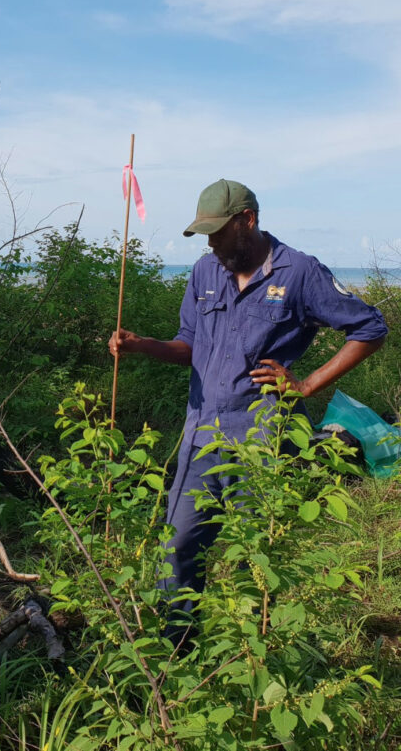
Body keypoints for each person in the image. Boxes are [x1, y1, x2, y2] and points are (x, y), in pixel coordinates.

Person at [109, 179, 386, 621]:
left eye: (218, 231)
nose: (212, 242)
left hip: (263, 447)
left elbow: (370, 328)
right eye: (206, 234)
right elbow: (190, 346)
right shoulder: (205, 273)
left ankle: (254, 664)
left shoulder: (299, 273)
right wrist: (142, 344)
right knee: (176, 551)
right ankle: (173, 656)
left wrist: (308, 385)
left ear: (248, 220)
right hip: (200, 440)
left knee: (256, 562)